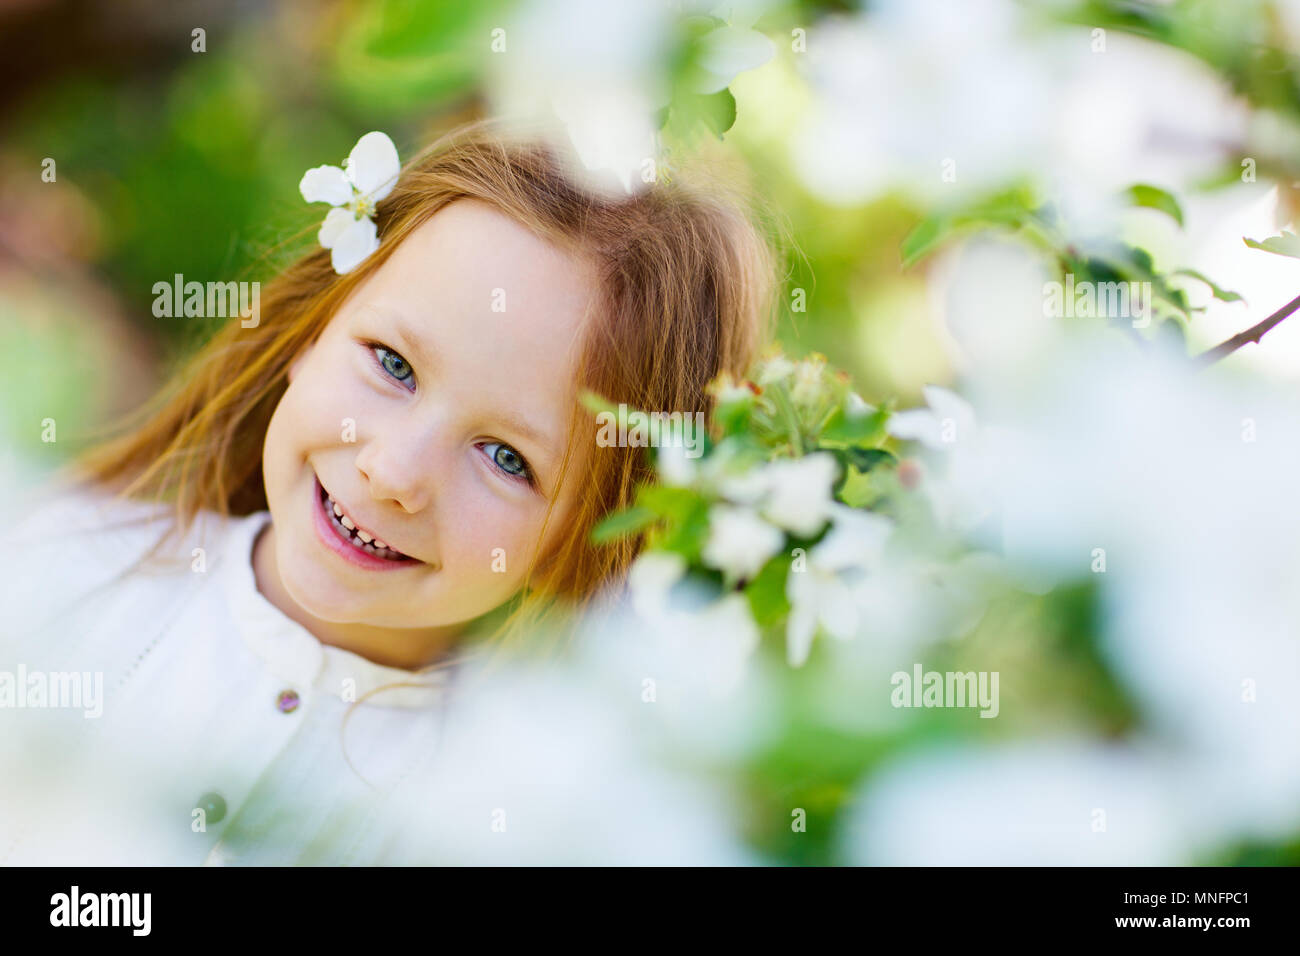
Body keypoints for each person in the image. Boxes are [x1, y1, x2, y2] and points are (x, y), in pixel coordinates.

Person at [0, 121, 776, 864]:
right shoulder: (53, 570)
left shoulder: (518, 812)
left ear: (587, 535)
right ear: (312, 332)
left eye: (507, 458)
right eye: (393, 365)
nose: (394, 472)